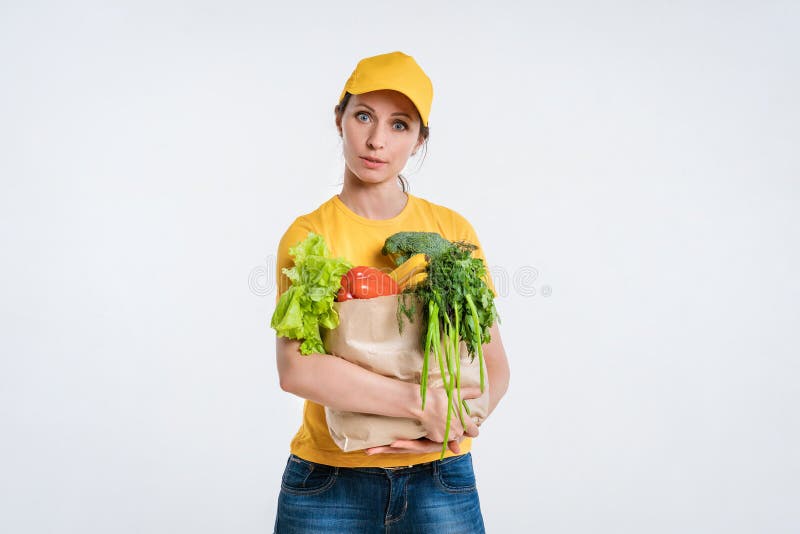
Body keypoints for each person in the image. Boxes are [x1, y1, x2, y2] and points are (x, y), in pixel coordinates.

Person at [272, 51, 510, 533]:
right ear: (339, 119)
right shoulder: (309, 235)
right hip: (328, 481)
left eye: (399, 125)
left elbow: (493, 365)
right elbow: (296, 367)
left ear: (420, 140)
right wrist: (422, 407)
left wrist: (453, 428)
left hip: (441, 478)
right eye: (364, 116)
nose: (377, 140)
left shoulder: (450, 229)